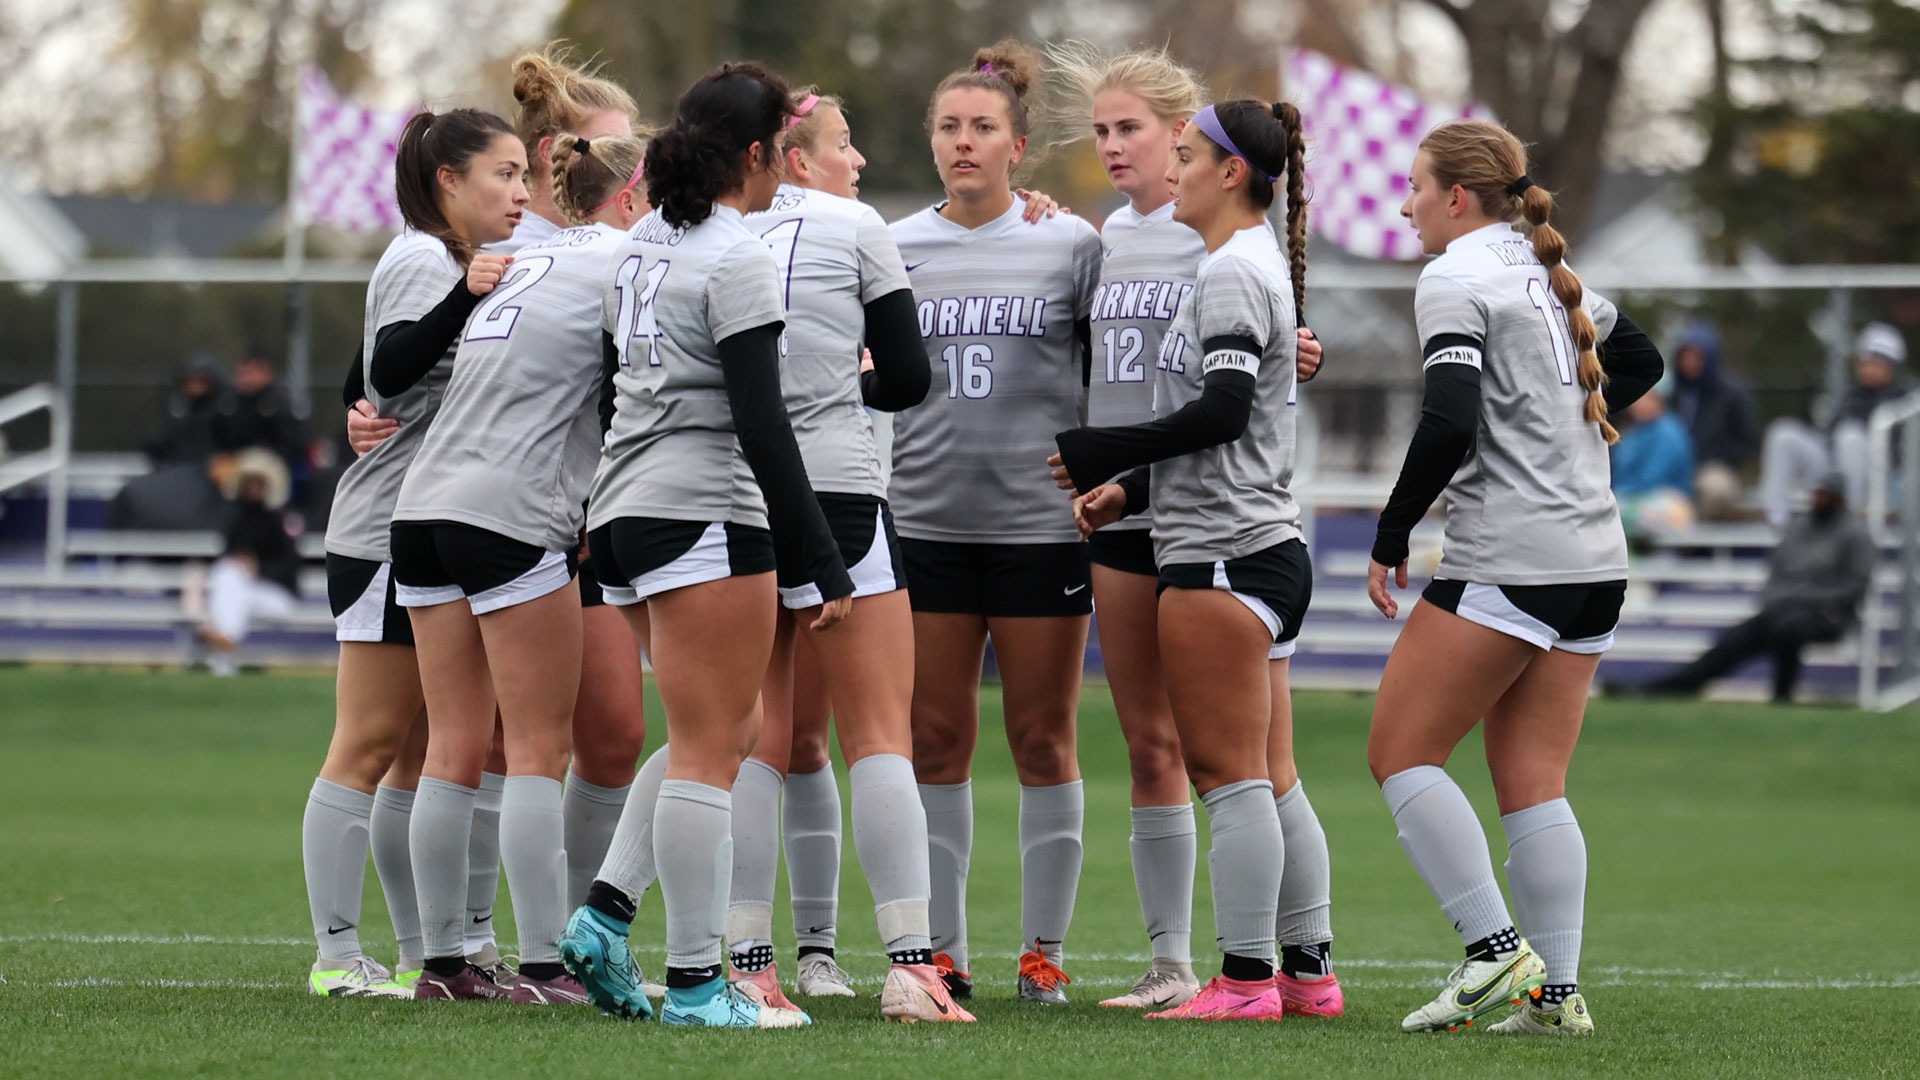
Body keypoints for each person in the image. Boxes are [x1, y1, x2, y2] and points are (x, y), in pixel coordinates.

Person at [1043, 40, 1339, 1017]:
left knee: (1234, 767)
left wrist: (1103, 453)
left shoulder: (1221, 252)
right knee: (1185, 755)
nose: (1116, 146)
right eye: (1102, 130)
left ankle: (1249, 974)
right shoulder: (1111, 240)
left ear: (1194, 148)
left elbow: (1224, 399)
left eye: (1133, 127)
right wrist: (1124, 486)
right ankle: (1291, 967)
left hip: (1221, 533)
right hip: (1173, 512)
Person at [344, 46, 652, 974]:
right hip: (517, 514)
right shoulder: (617, 261)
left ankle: (444, 963)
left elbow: (392, 370)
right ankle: (547, 964)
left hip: (426, 511)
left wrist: (359, 410)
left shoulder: (499, 261)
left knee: (453, 748)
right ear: (629, 194)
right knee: (535, 752)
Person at [562, 61, 850, 1030]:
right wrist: (822, 561)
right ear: (761, 153)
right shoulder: (739, 255)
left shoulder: (641, 240)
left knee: (715, 734)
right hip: (704, 510)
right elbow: (763, 427)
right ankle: (695, 982)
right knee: (710, 755)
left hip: (629, 510)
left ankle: (605, 917)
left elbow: (612, 389)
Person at [1365, 119, 1663, 1037]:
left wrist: (1390, 535)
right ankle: (1554, 994)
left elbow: (1449, 420)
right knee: (1535, 780)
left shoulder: (1453, 276)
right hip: (1595, 562)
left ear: (1457, 196)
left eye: (1415, 186)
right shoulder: (1542, 269)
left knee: (1400, 753)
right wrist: (1555, 419)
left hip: (1516, 555)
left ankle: (1495, 954)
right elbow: (1641, 360)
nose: (1406, 204)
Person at [887, 40, 1101, 1005]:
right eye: (948, 127)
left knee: (1044, 739)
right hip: (925, 525)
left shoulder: (1071, 243)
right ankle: (942, 952)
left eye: (982, 128)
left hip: (1040, 530)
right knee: (934, 740)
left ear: (1018, 144)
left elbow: (1126, 363)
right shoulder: (889, 245)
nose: (963, 143)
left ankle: (1043, 954)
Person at [302, 106, 526, 1001]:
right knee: (368, 743)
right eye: (502, 175)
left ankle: (420, 954)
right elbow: (387, 368)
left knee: (424, 751)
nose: (517, 192)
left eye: (522, 174)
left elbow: (366, 383)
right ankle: (331, 957)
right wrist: (464, 296)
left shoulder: (451, 267)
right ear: (448, 183)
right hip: (380, 536)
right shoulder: (421, 259)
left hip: (426, 531)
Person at [1611, 473, 1876, 703]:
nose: (1819, 499)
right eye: (1817, 493)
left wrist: (1801, 598)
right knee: (1732, 641)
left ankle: (1782, 695)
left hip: (1827, 615)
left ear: (1839, 497)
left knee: (1788, 628)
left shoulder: (1854, 535)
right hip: (1780, 611)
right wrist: (1780, 599)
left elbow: (1854, 587)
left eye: (1825, 494)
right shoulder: (1799, 528)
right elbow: (1776, 574)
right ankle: (1665, 688)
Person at [1760, 322, 1913, 526]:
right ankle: (1777, 520)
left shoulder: (1906, 399)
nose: (1868, 368)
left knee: (1851, 437)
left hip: (1880, 477)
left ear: (1891, 366)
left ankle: (1849, 524)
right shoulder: (1850, 394)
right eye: (1864, 362)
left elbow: (1900, 454)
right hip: (1834, 467)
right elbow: (1827, 435)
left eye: (1876, 363)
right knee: (1783, 434)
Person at [196, 449, 299, 677]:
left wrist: (258, 569)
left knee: (230, 588)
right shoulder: (234, 520)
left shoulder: (279, 522)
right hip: (244, 594)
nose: (253, 489)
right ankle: (224, 663)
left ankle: (225, 641)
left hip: (276, 596)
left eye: (258, 483)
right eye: (249, 483)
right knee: (228, 577)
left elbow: (290, 569)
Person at [1666, 322, 1758, 520]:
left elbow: (1748, 440)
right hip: (1675, 468)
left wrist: (1716, 457)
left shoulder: (1733, 394)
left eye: (1696, 356)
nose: (1690, 362)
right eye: (1685, 356)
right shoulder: (1673, 395)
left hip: (1714, 468)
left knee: (1715, 489)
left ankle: (1692, 545)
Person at [1611, 381, 1695, 537]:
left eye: (1647, 398)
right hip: (1631, 496)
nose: (1640, 404)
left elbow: (1652, 478)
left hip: (1669, 499)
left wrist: (1618, 495)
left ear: (1659, 400)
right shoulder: (1632, 432)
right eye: (1637, 398)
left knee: (1621, 512)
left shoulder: (1669, 432)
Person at [212, 350, 309, 477]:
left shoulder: (280, 405)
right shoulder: (227, 404)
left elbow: (293, 444)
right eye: (242, 372)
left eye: (252, 372)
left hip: (270, 465)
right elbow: (215, 438)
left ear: (267, 374)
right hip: (234, 464)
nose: (246, 378)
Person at [146, 355, 225, 466]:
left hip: (207, 467)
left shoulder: (222, 410)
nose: (193, 386)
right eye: (190, 381)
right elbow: (167, 438)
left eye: (200, 381)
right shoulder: (179, 408)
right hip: (176, 466)